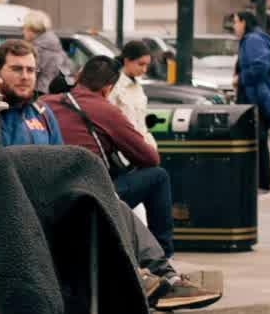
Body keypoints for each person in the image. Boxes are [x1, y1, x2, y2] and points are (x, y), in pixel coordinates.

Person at [0, 40, 218, 311]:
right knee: (117, 194)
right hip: (21, 206)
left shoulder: (42, 112)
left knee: (113, 203)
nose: (25, 76)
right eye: (16, 69)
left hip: (54, 197)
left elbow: (60, 160)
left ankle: (167, 277)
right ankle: (137, 277)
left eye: (30, 70)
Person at [48, 55, 176, 265]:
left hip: (52, 194)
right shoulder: (105, 110)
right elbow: (150, 158)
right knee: (158, 177)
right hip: (92, 197)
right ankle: (163, 257)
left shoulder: (46, 103)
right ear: (108, 89)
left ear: (79, 77)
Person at [231, 11, 270, 193]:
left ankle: (260, 183)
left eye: (236, 22)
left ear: (244, 22)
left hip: (255, 99)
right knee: (258, 141)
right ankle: (260, 183)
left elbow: (261, 66)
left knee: (256, 142)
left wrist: (241, 78)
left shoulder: (253, 40)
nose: (234, 26)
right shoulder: (253, 39)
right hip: (255, 98)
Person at [108, 39, 157, 151]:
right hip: (123, 151)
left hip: (139, 148)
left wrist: (152, 148)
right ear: (127, 61)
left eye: (147, 65)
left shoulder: (137, 87)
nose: (144, 69)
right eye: (141, 64)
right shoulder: (113, 86)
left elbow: (141, 125)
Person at [21, 9, 70, 95]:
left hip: (37, 93)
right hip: (55, 94)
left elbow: (28, 74)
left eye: (24, 28)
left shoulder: (35, 49)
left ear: (32, 29)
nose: (23, 32)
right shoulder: (57, 48)